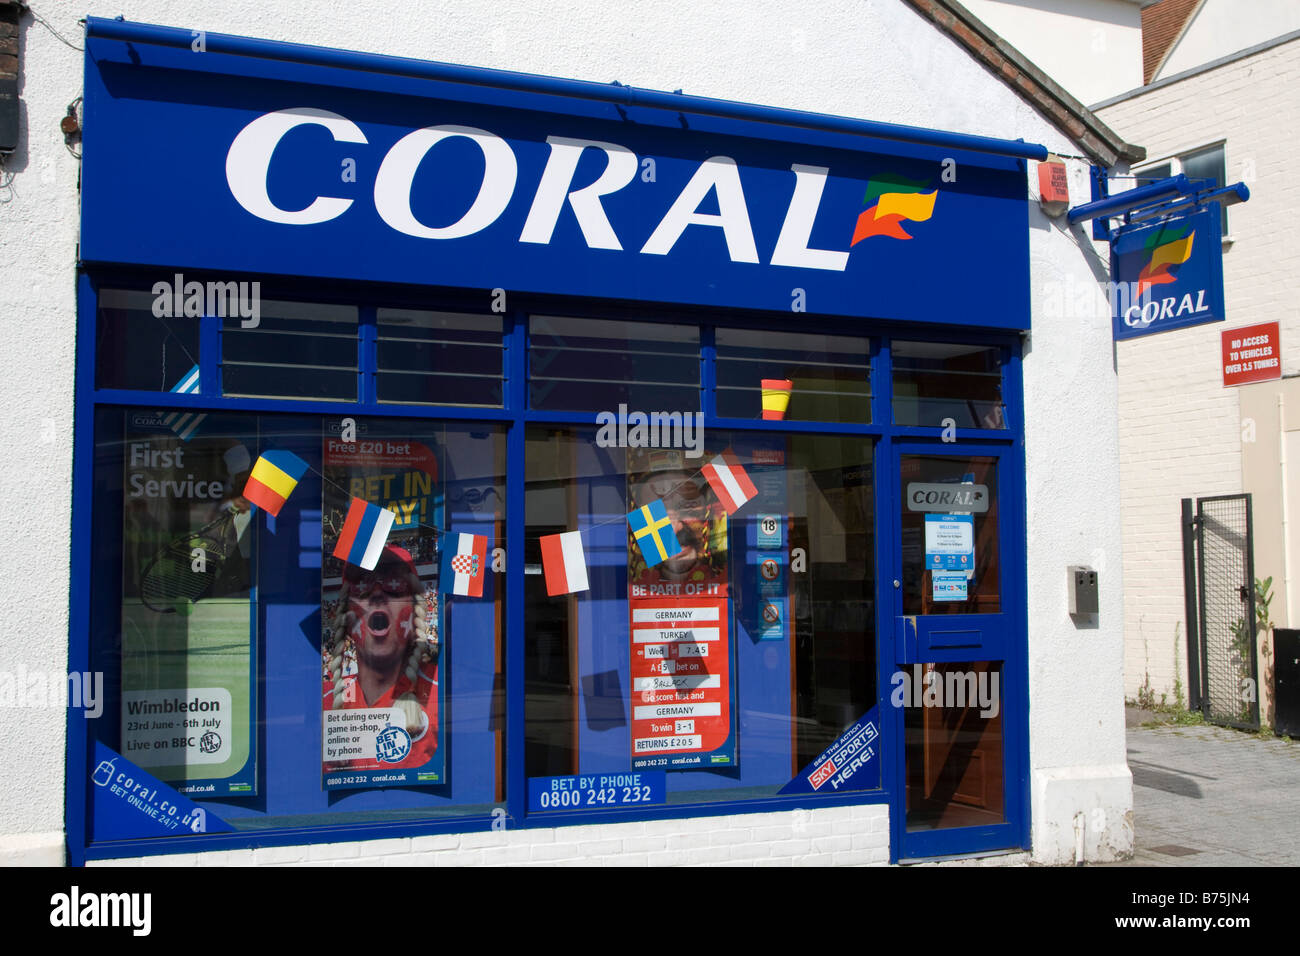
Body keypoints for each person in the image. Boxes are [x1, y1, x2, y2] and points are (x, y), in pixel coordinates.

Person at [322, 545, 439, 770]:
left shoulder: (440, 690)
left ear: (417, 616)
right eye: (362, 588)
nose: (377, 594)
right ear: (345, 620)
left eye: (394, 588)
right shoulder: (324, 702)